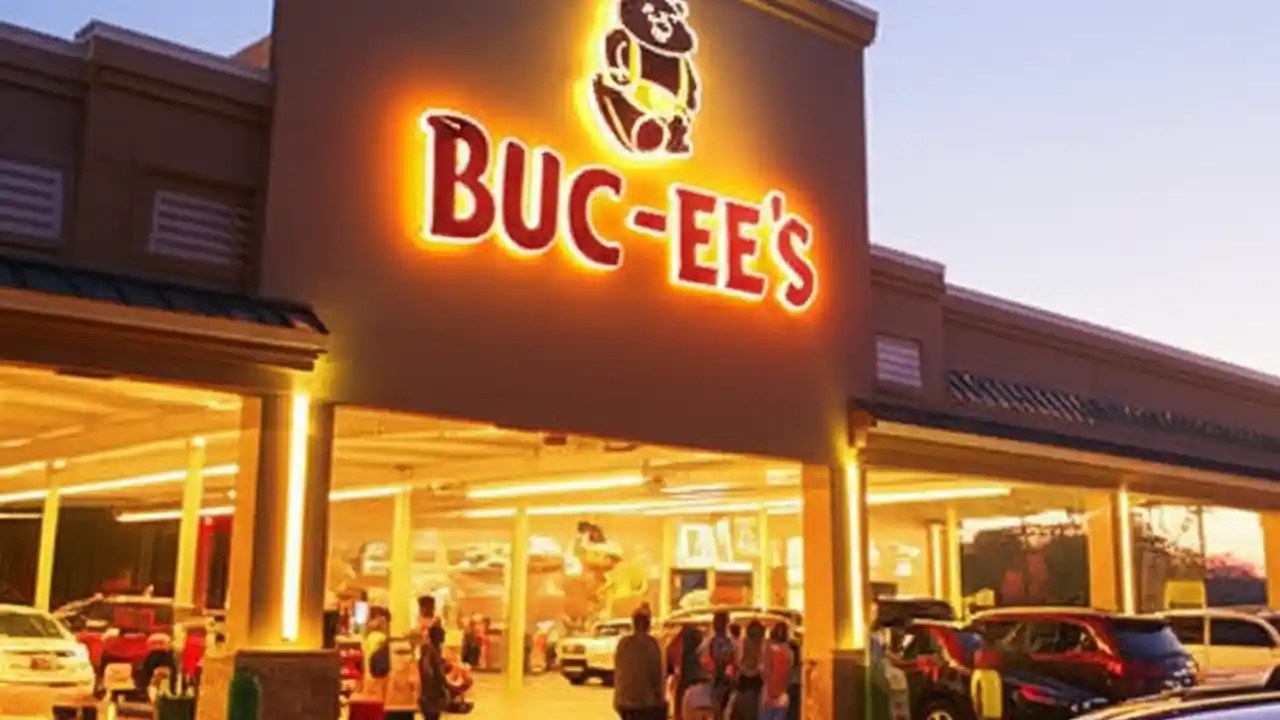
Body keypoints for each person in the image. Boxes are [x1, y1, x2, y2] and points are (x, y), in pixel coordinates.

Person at [613, 609, 666, 720]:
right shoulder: (652, 644)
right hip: (645, 703)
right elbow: (657, 675)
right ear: (648, 625)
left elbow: (618, 671)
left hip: (623, 700)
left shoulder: (623, 644)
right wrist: (660, 699)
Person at [700, 611, 738, 718]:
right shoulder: (712, 641)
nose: (717, 625)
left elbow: (730, 662)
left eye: (719, 622)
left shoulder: (727, 642)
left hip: (722, 683)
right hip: (716, 682)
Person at [733, 621, 766, 720]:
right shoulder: (757, 645)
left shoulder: (743, 643)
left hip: (749, 681)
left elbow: (739, 661)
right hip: (750, 682)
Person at [761, 624, 793, 720]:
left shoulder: (768, 648)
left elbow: (766, 670)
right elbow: (788, 673)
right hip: (782, 693)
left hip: (770, 692)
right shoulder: (788, 651)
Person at [419, 624, 449, 720]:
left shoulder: (428, 650)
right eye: (442, 638)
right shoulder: (432, 652)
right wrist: (444, 686)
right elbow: (431, 672)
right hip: (431, 695)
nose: (443, 641)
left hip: (427, 695)